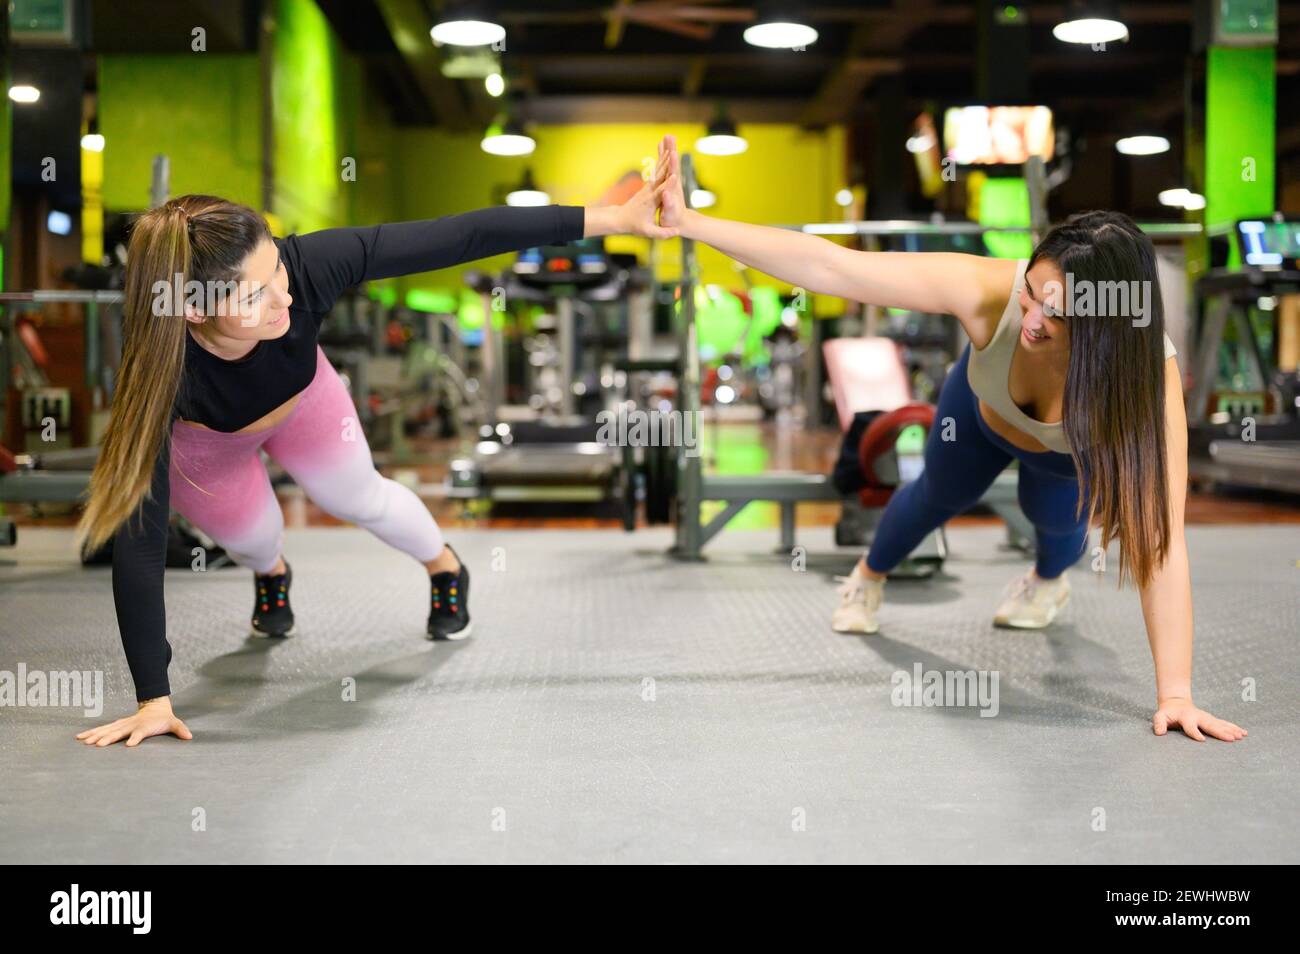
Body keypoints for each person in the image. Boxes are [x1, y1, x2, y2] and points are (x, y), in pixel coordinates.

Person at [653, 133, 1245, 743]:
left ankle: (1046, 585)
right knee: (937, 493)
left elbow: (1161, 539)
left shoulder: (1146, 379)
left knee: (1058, 529)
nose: (1034, 320)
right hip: (981, 416)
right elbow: (835, 267)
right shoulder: (988, 291)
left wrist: (1176, 694)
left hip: (1067, 456)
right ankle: (867, 577)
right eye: (1032, 293)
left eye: (1059, 313)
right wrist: (690, 222)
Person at [73, 162, 678, 747]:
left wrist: (611, 220)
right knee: (253, 539)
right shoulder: (157, 373)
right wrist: (153, 697)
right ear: (194, 309)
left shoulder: (307, 267)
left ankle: (445, 567)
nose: (284, 298)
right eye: (255, 296)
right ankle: (272, 573)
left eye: (276, 269)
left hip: (305, 399)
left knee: (356, 495)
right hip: (210, 442)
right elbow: (141, 538)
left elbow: (462, 234)